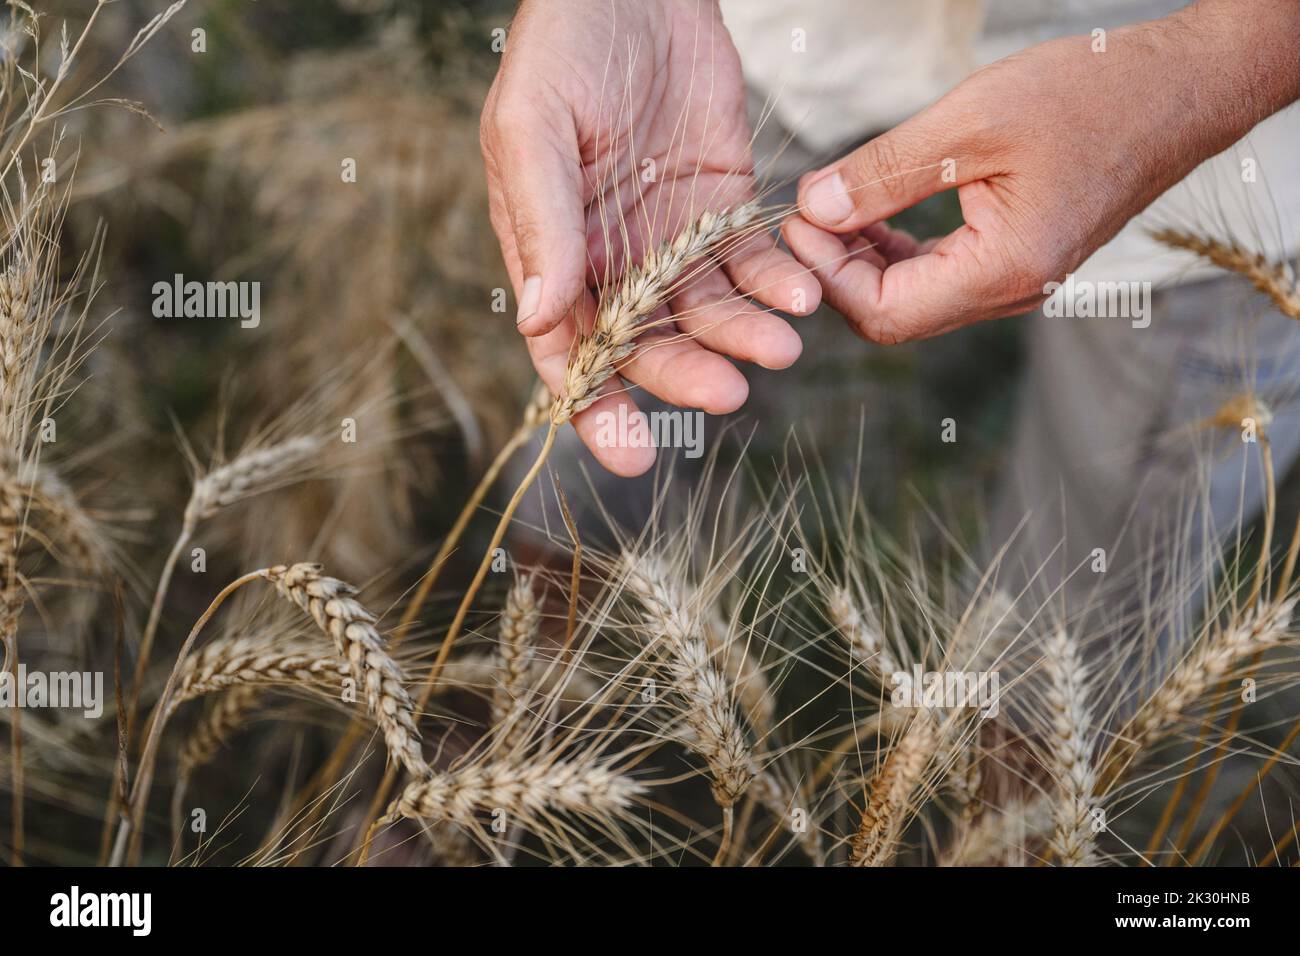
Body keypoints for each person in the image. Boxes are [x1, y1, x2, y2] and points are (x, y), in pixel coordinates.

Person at [481, 0, 1300, 610]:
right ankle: (505, 715)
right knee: (626, 332)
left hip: (1230, 140)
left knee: (1079, 610)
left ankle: (1013, 821)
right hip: (744, 38)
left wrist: (1222, 65)